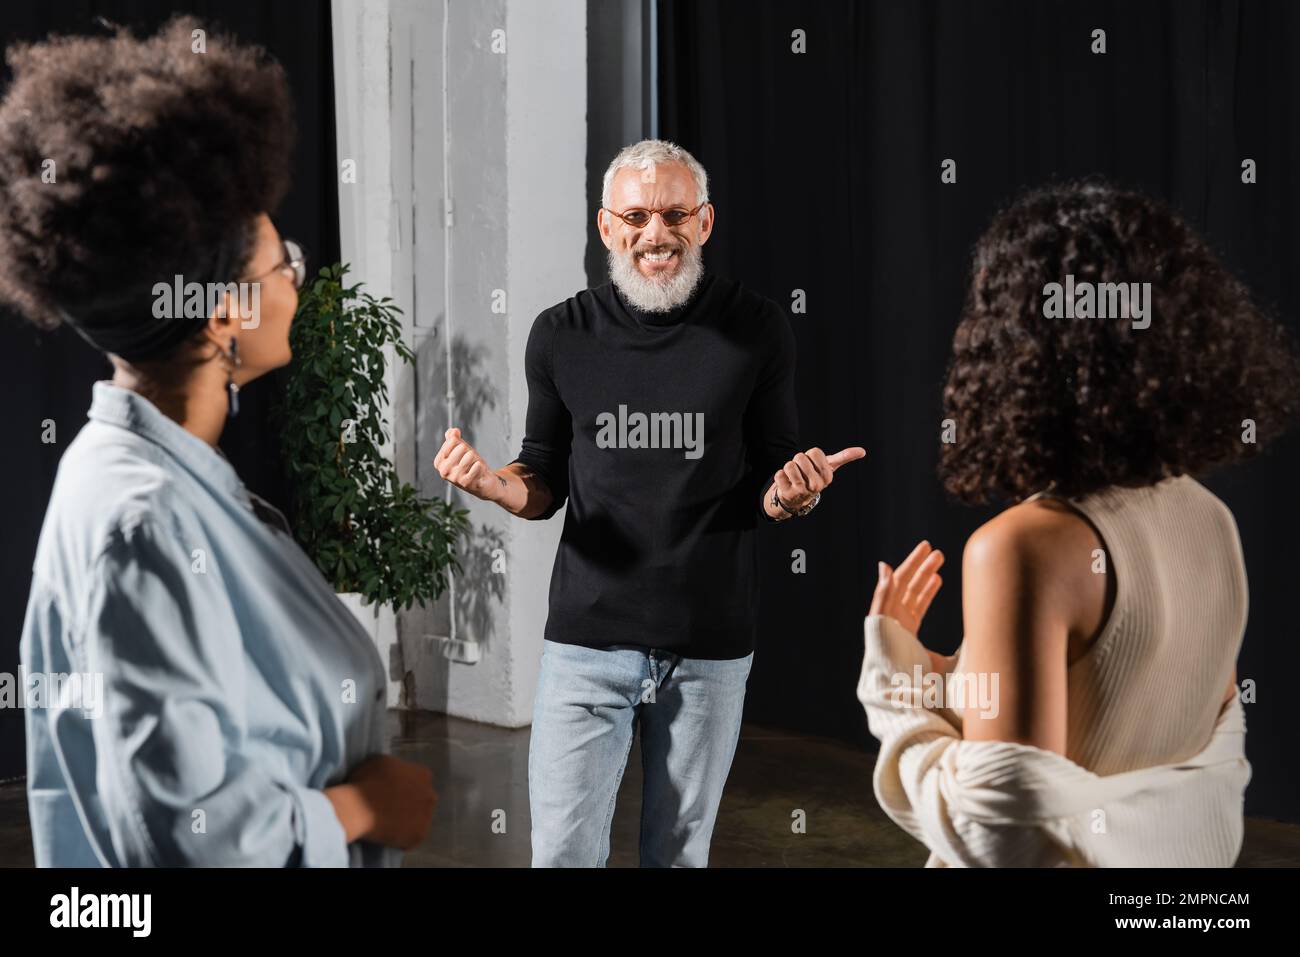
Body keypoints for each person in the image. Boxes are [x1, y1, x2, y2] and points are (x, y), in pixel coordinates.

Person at [1, 17, 435, 867]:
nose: (297, 284)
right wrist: (361, 807)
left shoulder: (161, 475)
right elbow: (191, 838)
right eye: (283, 267)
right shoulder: (145, 521)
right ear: (220, 316)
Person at [433, 139, 865, 866]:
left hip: (709, 644)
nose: (654, 233)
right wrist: (491, 483)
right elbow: (541, 477)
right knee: (563, 854)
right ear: (606, 227)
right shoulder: (561, 335)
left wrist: (791, 496)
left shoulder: (755, 330)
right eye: (635, 215)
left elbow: (770, 475)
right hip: (586, 640)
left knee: (677, 856)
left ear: (704, 222)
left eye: (673, 214)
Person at [858, 181, 1298, 866]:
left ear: (1015, 344)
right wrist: (942, 680)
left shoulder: (1023, 547)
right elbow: (1173, 767)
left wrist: (893, 692)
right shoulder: (1214, 524)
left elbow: (1004, 835)